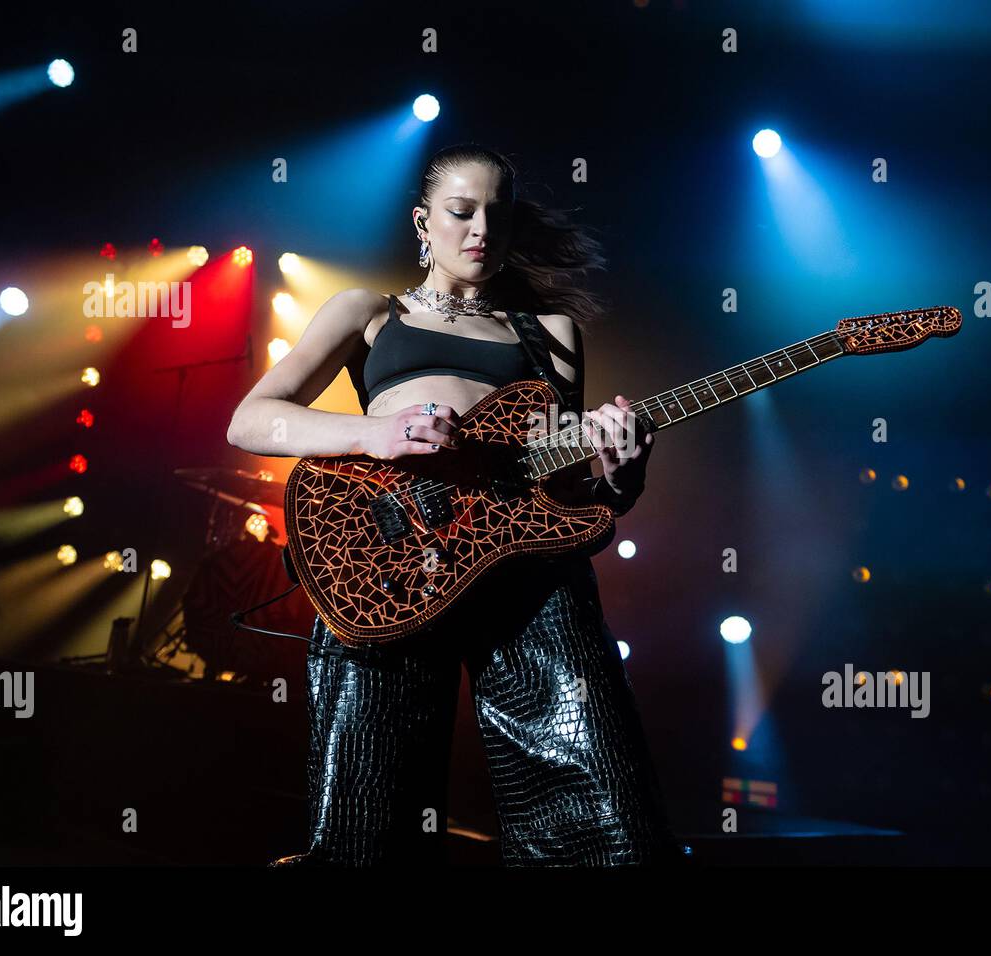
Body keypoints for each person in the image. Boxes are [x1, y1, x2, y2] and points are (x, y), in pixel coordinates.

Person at [226, 143, 683, 866]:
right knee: (362, 837)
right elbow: (251, 419)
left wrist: (622, 477)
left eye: (495, 216)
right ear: (422, 221)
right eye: (460, 211)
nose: (479, 230)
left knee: (609, 828)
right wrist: (376, 433)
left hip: (529, 581)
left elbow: (566, 491)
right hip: (390, 566)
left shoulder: (551, 332)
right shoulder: (371, 312)